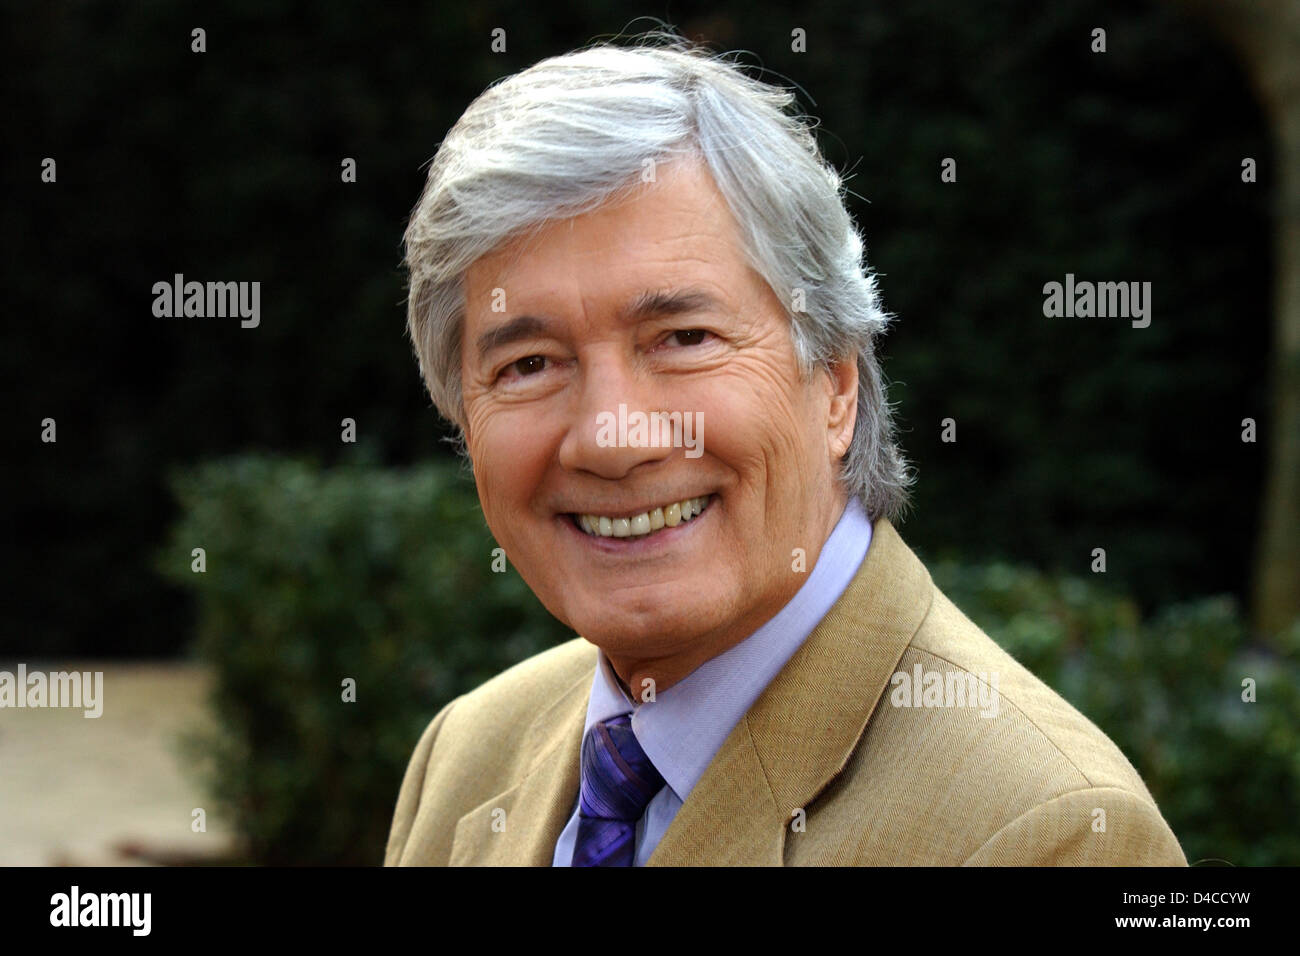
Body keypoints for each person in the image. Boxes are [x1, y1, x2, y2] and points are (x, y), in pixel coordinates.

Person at [384, 33, 1186, 866]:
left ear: (836, 383)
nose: (611, 439)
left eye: (682, 338)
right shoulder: (464, 757)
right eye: (530, 364)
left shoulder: (1048, 831)